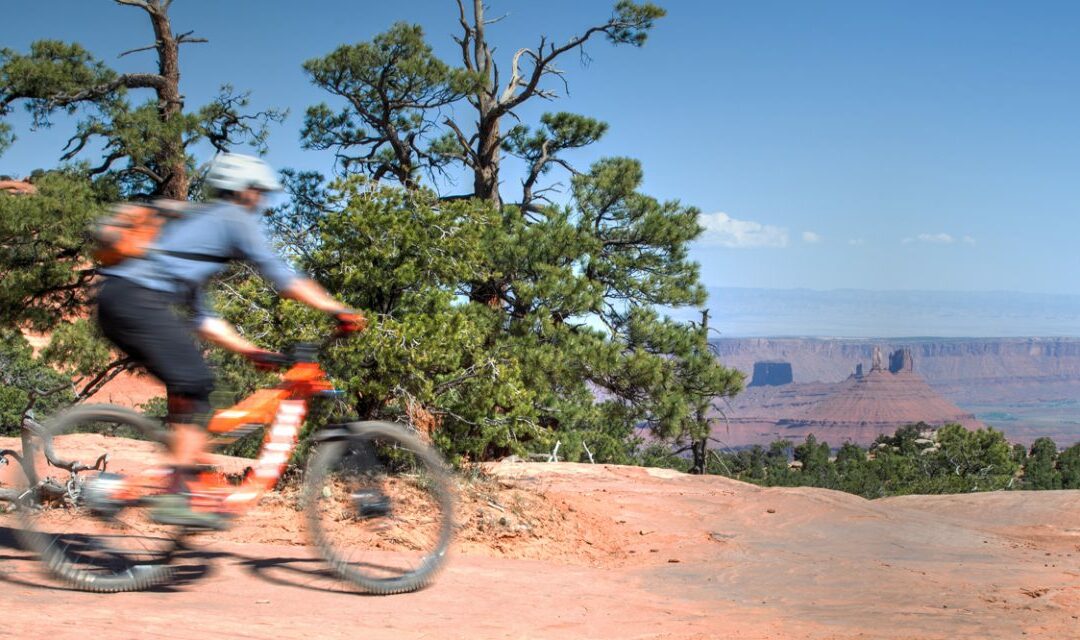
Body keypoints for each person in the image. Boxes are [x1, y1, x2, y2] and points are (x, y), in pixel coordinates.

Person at [95, 153, 365, 528]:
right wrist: (338, 309)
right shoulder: (232, 217)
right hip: (134, 300)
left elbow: (204, 319)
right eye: (260, 193)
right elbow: (284, 278)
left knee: (192, 391)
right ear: (245, 191)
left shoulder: (201, 232)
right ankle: (178, 496)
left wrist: (250, 350)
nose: (263, 202)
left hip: (119, 300)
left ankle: (183, 480)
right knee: (196, 381)